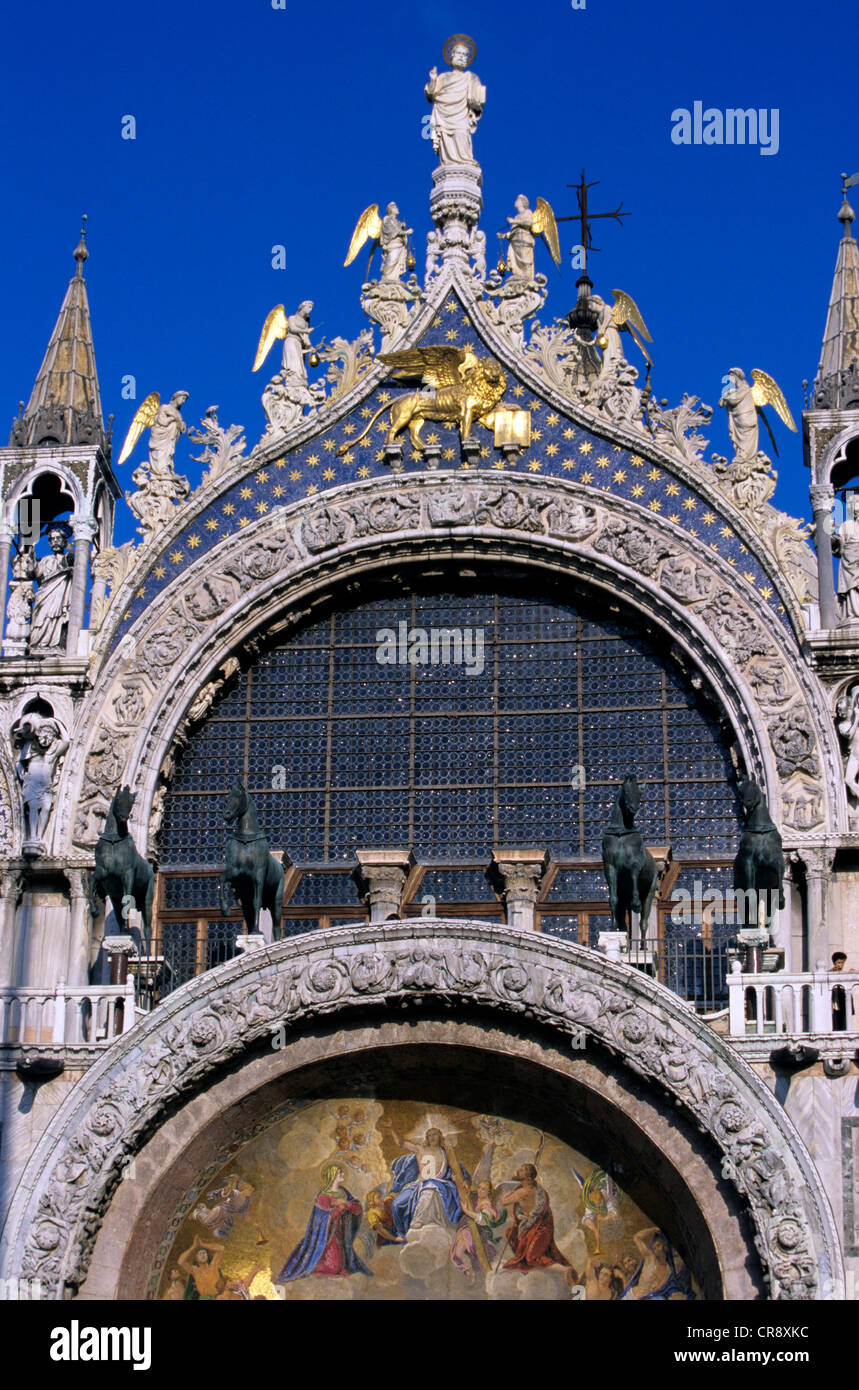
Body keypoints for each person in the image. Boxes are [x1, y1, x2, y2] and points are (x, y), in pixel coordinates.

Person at [274, 1164, 370, 1282]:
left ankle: (318, 1264)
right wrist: (340, 1208)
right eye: (340, 1173)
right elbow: (323, 1218)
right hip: (326, 1236)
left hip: (341, 1234)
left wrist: (347, 1204)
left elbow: (357, 1208)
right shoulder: (323, 1196)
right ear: (332, 1176)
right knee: (334, 1268)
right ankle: (310, 1268)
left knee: (343, 1265)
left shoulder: (343, 1192)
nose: (343, 1174)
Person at [381, 1121, 466, 1237]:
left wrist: (462, 1182)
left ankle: (419, 1220)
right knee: (396, 1204)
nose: (432, 1137)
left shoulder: (447, 1151)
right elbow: (401, 1143)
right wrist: (392, 1127)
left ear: (440, 1136)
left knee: (430, 1188)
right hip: (419, 1184)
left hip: (439, 1184)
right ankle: (402, 1233)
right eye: (429, 1135)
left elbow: (456, 1168)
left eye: (434, 1134)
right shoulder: (420, 1149)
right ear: (426, 1138)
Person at [501, 1164, 572, 1273]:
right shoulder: (538, 1189)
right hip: (540, 1227)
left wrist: (510, 1193)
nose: (519, 1170)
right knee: (510, 1233)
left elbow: (504, 1202)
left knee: (531, 1258)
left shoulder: (521, 1192)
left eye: (523, 1169)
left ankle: (564, 1270)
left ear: (527, 1176)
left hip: (535, 1229)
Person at [425, 38, 485, 167]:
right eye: (459, 53)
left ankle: (464, 162)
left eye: (465, 55)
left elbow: (477, 102)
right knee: (446, 145)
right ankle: (448, 164)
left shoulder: (471, 78)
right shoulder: (443, 77)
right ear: (452, 56)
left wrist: (477, 97)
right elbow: (431, 95)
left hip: (462, 115)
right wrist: (433, 80)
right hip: (443, 115)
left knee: (461, 135)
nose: (462, 57)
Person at [28, 525, 73, 651]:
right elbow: (35, 573)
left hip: (59, 594)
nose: (55, 542)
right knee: (42, 618)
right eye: (52, 539)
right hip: (45, 595)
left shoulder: (67, 558)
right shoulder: (45, 560)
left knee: (55, 618)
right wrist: (31, 555)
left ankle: (54, 643)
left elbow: (72, 566)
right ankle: (38, 643)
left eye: (58, 538)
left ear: (64, 541)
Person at [621, 1227, 693, 1300]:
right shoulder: (650, 1258)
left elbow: (670, 1289)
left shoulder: (670, 1271)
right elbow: (636, 1237)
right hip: (632, 1297)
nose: (656, 1249)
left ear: (665, 1246)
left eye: (658, 1245)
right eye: (654, 1247)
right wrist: (654, 1229)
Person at [831, 951, 849, 1031]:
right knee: (835, 1022)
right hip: (835, 1002)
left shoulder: (844, 974)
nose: (840, 965)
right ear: (834, 963)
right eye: (838, 963)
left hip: (843, 1001)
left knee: (844, 1021)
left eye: (842, 963)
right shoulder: (830, 973)